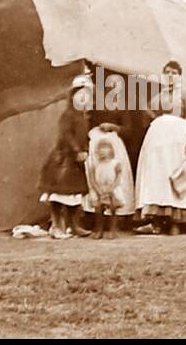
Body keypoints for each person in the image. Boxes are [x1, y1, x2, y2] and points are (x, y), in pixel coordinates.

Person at [134, 60, 186, 235]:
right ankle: (157, 222)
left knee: (176, 176)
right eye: (167, 73)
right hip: (158, 140)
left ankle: (177, 222)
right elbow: (147, 113)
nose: (170, 76)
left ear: (180, 76)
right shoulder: (158, 97)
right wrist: (150, 114)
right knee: (159, 177)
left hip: (177, 138)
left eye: (174, 73)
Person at [39, 75, 93, 239]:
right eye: (80, 95)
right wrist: (76, 150)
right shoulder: (68, 115)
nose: (83, 99)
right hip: (64, 159)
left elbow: (84, 136)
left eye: (87, 96)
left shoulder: (82, 118)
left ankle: (73, 225)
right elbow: (66, 135)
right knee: (60, 194)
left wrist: (86, 148)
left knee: (74, 194)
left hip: (76, 162)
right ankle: (56, 226)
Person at [88, 138, 125, 239]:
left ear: (111, 150)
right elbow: (92, 179)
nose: (103, 151)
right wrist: (98, 189)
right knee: (99, 209)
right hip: (99, 189)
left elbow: (118, 178)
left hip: (112, 188)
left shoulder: (115, 163)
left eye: (106, 148)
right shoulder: (94, 164)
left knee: (113, 209)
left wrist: (111, 188)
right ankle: (99, 229)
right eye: (100, 148)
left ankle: (113, 229)